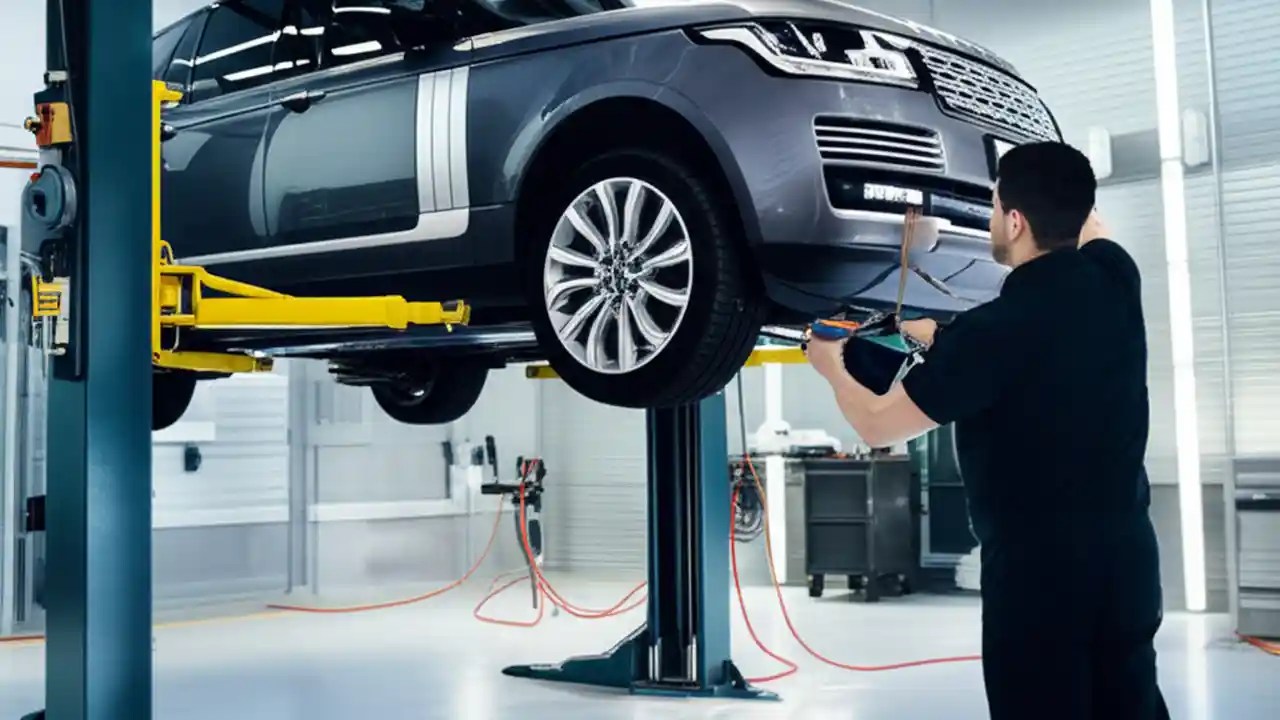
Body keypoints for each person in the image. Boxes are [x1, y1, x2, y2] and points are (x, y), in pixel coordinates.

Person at [805, 142, 1169, 720]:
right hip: (1128, 564)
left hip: (1040, 583)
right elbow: (1085, 236)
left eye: (995, 205)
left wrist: (829, 364)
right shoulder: (1115, 275)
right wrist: (936, 334)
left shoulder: (992, 334)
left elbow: (877, 425)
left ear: (1015, 221)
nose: (992, 217)